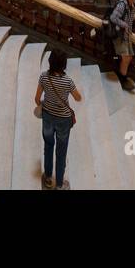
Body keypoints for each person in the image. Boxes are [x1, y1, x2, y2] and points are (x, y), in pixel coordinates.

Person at [34, 49, 82, 190]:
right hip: (63, 120)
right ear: (64, 65)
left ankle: (48, 178)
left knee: (48, 146)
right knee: (61, 153)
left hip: (48, 117)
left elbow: (36, 99)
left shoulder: (44, 77)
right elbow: (78, 98)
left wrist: (45, 105)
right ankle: (60, 185)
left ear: (50, 62)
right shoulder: (68, 81)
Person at [108, 0, 135, 91]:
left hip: (126, 35)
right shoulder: (121, 5)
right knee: (126, 57)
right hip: (119, 35)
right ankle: (123, 80)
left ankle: (122, 76)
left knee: (129, 57)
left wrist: (129, 30)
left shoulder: (134, 5)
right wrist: (124, 25)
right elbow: (113, 17)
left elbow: (130, 20)